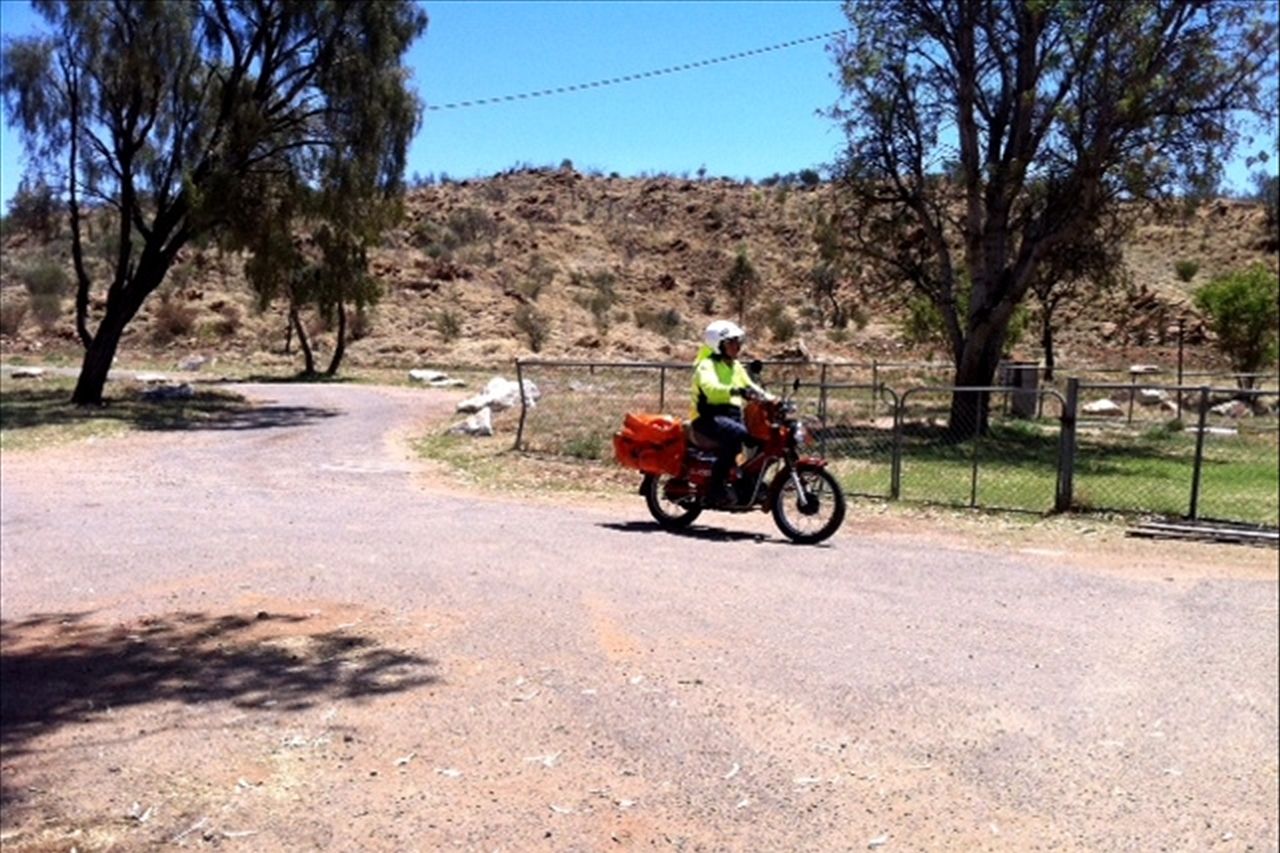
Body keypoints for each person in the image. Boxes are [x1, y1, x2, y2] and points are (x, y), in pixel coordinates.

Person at [690, 319, 770, 506]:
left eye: (737, 342)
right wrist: (736, 391)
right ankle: (715, 490)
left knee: (762, 439)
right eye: (731, 342)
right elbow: (711, 389)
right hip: (707, 418)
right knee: (740, 437)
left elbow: (751, 387)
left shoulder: (735, 366)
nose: (736, 346)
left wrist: (772, 400)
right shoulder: (706, 366)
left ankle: (749, 484)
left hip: (731, 417)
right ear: (718, 345)